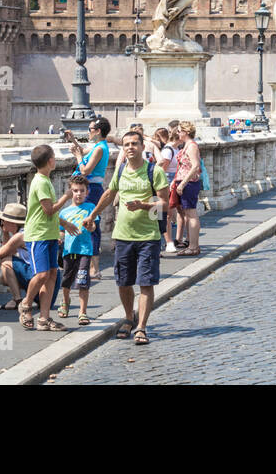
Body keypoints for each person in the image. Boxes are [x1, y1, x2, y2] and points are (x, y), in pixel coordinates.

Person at [86, 128, 169, 345]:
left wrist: (143, 205)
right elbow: (109, 193)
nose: (130, 148)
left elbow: (164, 204)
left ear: (143, 147)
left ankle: (141, 326)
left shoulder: (154, 171)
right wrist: (92, 215)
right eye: (126, 145)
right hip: (122, 235)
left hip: (148, 236)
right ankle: (128, 317)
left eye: (134, 144)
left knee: (145, 283)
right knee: (123, 282)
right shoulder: (121, 169)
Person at [20, 145, 80, 331]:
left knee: (52, 274)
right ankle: (26, 304)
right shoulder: (41, 182)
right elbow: (48, 211)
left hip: (49, 234)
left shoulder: (45, 180)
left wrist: (65, 224)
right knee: (42, 274)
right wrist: (66, 197)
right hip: (38, 235)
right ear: (50, 161)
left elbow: (49, 213)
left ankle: (44, 318)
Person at [65, 116, 113, 278]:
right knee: (84, 223)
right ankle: (88, 264)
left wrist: (77, 158)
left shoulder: (99, 148)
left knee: (91, 225)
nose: (88, 132)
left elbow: (85, 170)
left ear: (98, 131)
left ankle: (94, 267)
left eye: (90, 130)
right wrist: (73, 140)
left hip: (91, 189)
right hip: (87, 188)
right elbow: (82, 150)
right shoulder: (97, 146)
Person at [57, 175, 97, 324]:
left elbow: (93, 227)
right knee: (66, 280)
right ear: (70, 192)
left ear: (87, 192)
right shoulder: (64, 212)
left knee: (82, 280)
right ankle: (66, 302)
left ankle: (82, 312)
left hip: (84, 250)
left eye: (82, 190)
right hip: (68, 250)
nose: (78, 194)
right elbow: (61, 230)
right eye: (75, 191)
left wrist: (90, 226)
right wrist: (59, 237)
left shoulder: (90, 208)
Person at [0, 201, 29, 310]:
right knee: (3, 278)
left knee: (5, 262)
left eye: (4, 221)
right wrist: (5, 233)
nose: (2, 223)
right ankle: (18, 299)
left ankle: (18, 300)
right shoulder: (23, 232)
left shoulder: (20, 236)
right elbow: (10, 251)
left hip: (39, 281)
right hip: (43, 281)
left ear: (12, 223)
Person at [170, 122, 203, 256]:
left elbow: (195, 166)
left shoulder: (191, 146)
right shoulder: (187, 146)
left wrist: (183, 183)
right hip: (186, 182)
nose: (177, 134)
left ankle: (194, 246)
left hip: (189, 183)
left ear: (186, 132)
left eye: (179, 131)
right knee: (189, 214)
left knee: (191, 214)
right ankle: (193, 246)